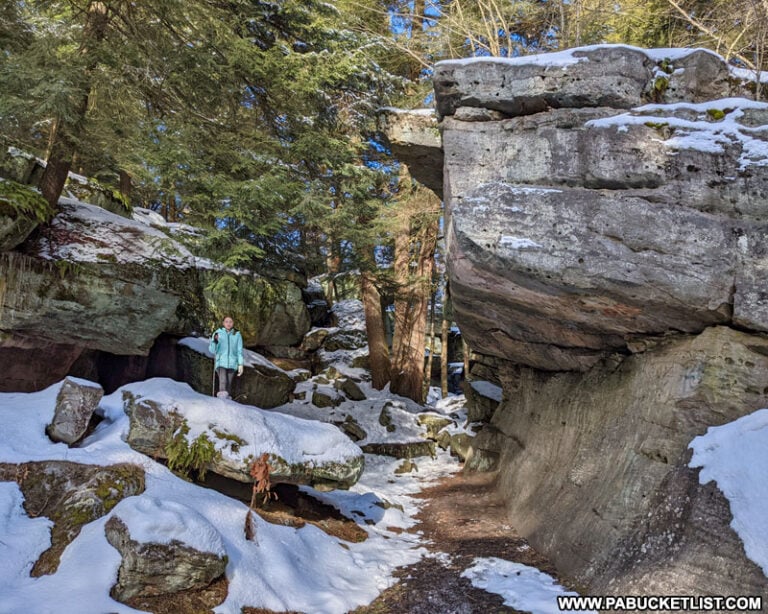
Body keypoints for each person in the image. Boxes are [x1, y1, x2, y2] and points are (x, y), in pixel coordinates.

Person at [209, 316, 244, 399]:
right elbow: (212, 350)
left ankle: (227, 402)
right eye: (226, 321)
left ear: (233, 323)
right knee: (223, 381)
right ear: (223, 323)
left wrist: (240, 364)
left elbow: (239, 351)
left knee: (229, 384)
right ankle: (222, 400)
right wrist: (214, 342)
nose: (228, 323)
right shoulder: (218, 333)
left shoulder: (237, 334)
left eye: (230, 322)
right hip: (221, 362)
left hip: (232, 363)